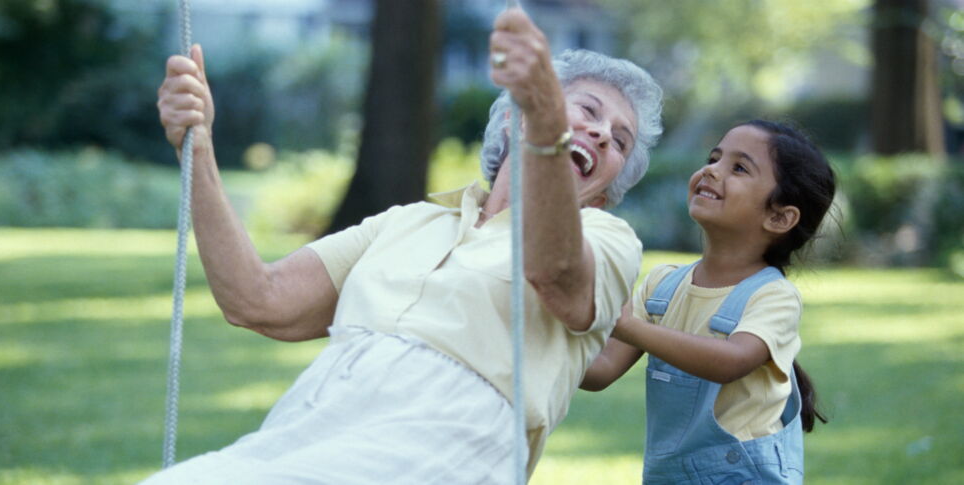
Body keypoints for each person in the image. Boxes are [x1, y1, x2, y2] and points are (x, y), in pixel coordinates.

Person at [147, 7, 662, 484]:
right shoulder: (411, 222)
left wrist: (553, 128)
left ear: (610, 187)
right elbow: (258, 300)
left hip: (447, 443)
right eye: (588, 110)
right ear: (513, 115)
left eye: (619, 140)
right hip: (312, 424)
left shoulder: (608, 241)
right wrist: (200, 145)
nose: (599, 133)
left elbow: (560, 275)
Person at [581, 120, 834, 484]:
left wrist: (627, 326)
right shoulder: (661, 286)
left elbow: (730, 361)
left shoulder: (774, 296)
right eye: (714, 158)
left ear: (779, 217)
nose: (712, 170)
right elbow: (600, 370)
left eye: (739, 167)